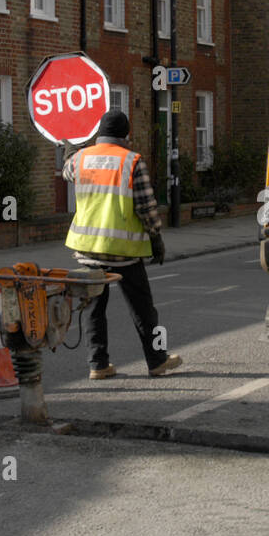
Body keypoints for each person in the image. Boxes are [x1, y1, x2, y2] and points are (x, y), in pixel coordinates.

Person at [63, 110, 182, 379]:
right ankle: (156, 361)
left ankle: (98, 365)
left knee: (94, 309)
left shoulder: (81, 159)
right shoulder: (131, 161)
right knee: (142, 308)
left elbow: (67, 171)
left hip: (88, 250)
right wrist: (156, 237)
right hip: (123, 253)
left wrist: (73, 148)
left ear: (99, 134)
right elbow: (146, 206)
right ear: (125, 135)